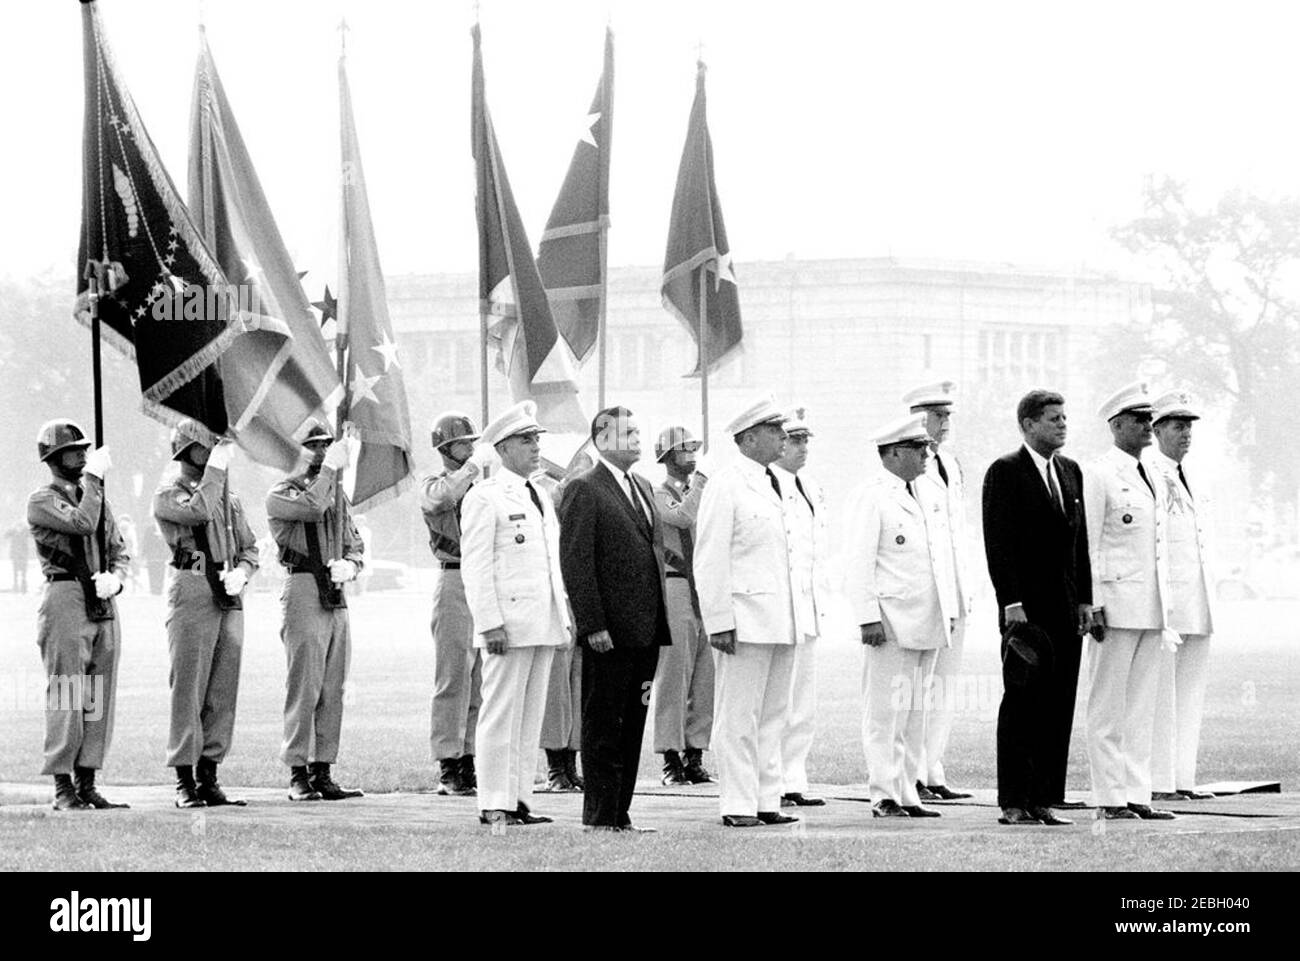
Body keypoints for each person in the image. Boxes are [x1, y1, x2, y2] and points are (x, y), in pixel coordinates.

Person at [982, 389, 1092, 825]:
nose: (1062, 424)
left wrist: (1085, 598)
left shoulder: (1070, 471)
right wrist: (1011, 602)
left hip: (1065, 608)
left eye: (1064, 417)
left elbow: (1078, 542)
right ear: (1028, 424)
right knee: (1023, 702)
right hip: (1025, 613)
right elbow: (998, 544)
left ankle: (1045, 799)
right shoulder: (1005, 472)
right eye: (1052, 418)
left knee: (1058, 703)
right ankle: (1014, 800)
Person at [560, 407, 672, 832]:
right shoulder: (585, 488)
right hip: (610, 631)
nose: (638, 437)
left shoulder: (641, 486)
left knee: (632, 727)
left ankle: (620, 813)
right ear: (602, 438)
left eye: (638, 429)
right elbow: (577, 561)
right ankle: (600, 815)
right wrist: (593, 624)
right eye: (628, 432)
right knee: (604, 724)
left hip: (645, 629)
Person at [460, 401, 571, 826]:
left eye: (537, 439)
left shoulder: (539, 493)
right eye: (526, 440)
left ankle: (518, 799)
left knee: (528, 717)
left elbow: (548, 563)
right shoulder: (486, 497)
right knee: (501, 713)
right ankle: (493, 800)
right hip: (507, 621)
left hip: (541, 620)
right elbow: (477, 565)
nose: (535, 447)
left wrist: (561, 612)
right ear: (503, 448)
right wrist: (488, 622)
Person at [694, 394, 802, 828]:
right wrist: (719, 620)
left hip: (781, 618)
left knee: (774, 715)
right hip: (744, 618)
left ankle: (765, 798)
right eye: (775, 431)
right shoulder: (727, 483)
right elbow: (710, 557)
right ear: (750, 437)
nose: (783, 438)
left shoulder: (778, 483)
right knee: (739, 716)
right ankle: (737, 803)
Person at [844, 414, 955, 819]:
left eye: (926, 447)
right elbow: (858, 562)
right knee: (885, 713)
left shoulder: (930, 492)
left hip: (928, 617)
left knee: (914, 713)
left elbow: (940, 559)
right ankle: (884, 793)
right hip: (891, 619)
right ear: (892, 454)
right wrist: (866, 616)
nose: (926, 454)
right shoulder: (871, 496)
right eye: (916, 448)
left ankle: (909, 791)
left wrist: (950, 610)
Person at [1083, 382, 1177, 821]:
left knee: (1141, 706)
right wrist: (1093, 602)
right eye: (1140, 420)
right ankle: (1109, 796)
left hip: (1151, 605)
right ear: (1116, 424)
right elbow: (1088, 543)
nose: (1147, 426)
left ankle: (1137, 792)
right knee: (1108, 706)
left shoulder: (1154, 473)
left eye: (1149, 419)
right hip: (1116, 604)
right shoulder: (1099, 472)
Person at [152, 423, 258, 808]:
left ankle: (209, 774)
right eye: (203, 445)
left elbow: (249, 547)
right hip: (193, 583)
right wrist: (217, 469)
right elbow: (197, 512)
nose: (212, 449)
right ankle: (184, 779)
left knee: (222, 689)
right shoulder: (169, 493)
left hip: (227, 591)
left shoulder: (229, 498)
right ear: (184, 450)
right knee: (189, 687)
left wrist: (243, 572)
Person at [27, 419, 130, 810]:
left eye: (85, 450)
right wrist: (94, 481)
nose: (83, 455)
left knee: (98, 693)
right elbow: (81, 523)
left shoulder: (95, 494)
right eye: (74, 450)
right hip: (66, 596)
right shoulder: (42, 499)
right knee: (68, 691)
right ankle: (62, 785)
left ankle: (87, 780)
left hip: (102, 598)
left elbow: (119, 549)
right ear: (54, 458)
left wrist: (117, 580)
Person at [266, 418, 366, 803]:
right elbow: (311, 506)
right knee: (304, 684)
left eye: (326, 445)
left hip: (334, 590)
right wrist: (330, 470)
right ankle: (297, 771)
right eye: (313, 445)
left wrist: (353, 566)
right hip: (304, 586)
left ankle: (323, 769)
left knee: (332, 685)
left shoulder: (334, 493)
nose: (322, 451)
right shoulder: (281, 492)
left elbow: (354, 541)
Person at [902, 380, 975, 802]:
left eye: (947, 415)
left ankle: (932, 768)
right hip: (927, 592)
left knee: (944, 687)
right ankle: (910, 772)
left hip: (956, 588)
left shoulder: (950, 461)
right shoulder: (910, 464)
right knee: (916, 689)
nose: (945, 423)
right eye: (937, 415)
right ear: (917, 416)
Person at [1146, 391, 1217, 801]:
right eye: (1177, 425)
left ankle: (1182, 779)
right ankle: (1158, 781)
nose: (1186, 433)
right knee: (1162, 696)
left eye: (1189, 425)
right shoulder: (1151, 472)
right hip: (1167, 601)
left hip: (1197, 597)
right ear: (1156, 431)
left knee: (1190, 694)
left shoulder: (1196, 474)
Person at [419, 411, 485, 797]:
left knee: (479, 680)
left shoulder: (477, 484)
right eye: (464, 444)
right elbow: (440, 500)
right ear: (445, 448)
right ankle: (448, 762)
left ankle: (469, 756)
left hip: (481, 576)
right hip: (454, 576)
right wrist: (473, 469)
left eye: (473, 443)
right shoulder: (436, 483)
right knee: (453, 676)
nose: (471, 448)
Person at [769, 408, 831, 807]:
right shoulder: (768, 484)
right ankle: (772, 781)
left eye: (806, 439)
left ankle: (794, 778)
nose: (802, 447)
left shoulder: (809, 486)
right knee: (776, 702)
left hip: (808, 606)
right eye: (794, 439)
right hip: (777, 609)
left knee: (802, 704)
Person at [648, 425, 714, 787]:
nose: (691, 456)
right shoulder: (658, 494)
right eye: (684, 450)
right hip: (675, 584)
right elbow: (682, 518)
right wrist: (702, 484)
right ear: (669, 456)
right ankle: (670, 757)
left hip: (703, 586)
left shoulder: (701, 492)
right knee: (675, 675)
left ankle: (696, 753)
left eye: (693, 449)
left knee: (705, 675)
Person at [538, 443, 594, 793]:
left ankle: (571, 764)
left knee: (578, 684)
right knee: (556, 686)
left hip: (579, 595)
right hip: (555, 597)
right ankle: (555, 766)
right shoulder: (544, 493)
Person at [8, 521, 30, 593]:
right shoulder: (13, 531)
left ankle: (23, 586)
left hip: (23, 554)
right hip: (16, 554)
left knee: (24, 571)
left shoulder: (25, 531)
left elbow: (32, 534)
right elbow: (5, 535)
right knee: (15, 571)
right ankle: (16, 586)